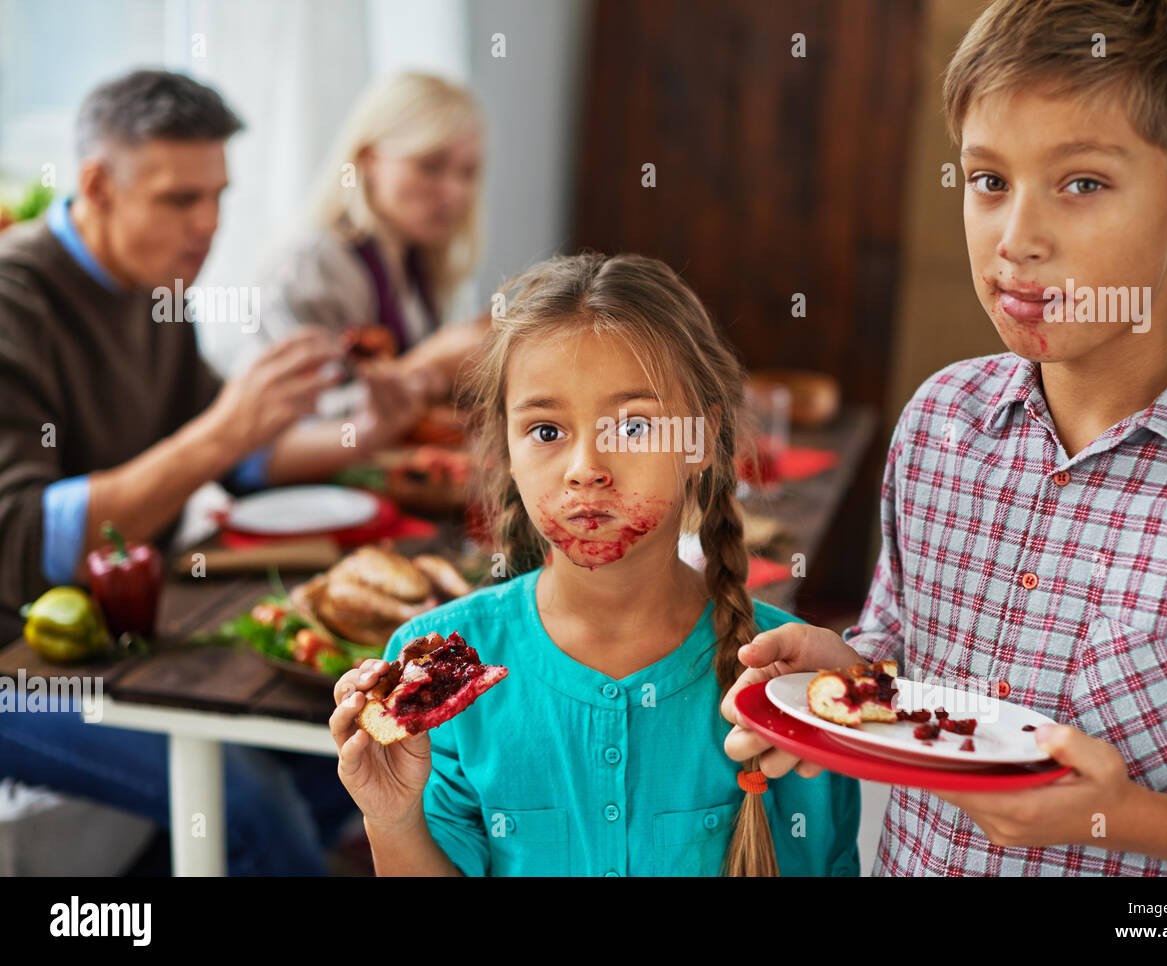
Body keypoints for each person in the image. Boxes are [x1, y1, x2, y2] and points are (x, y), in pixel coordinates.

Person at [724, 0, 1167, 877]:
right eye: (989, 181)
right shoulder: (939, 423)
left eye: (1082, 184)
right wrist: (844, 674)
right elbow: (901, 658)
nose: (1016, 241)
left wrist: (1129, 820)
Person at [328, 253, 861, 876]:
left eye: (633, 427)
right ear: (505, 448)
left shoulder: (787, 680)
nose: (586, 467)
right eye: (547, 431)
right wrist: (391, 819)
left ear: (699, 441)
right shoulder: (431, 669)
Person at [0, 68, 406, 874]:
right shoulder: (17, 300)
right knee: (246, 798)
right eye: (180, 200)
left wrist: (370, 429)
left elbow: (247, 454)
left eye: (217, 196)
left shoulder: (155, 290)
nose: (209, 225)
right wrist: (220, 434)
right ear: (95, 186)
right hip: (21, 664)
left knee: (354, 736)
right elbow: (22, 542)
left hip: (125, 626)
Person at [242, 71, 488, 401]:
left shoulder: (415, 261)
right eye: (430, 166)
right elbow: (303, 411)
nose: (454, 193)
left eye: (467, 173)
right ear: (368, 159)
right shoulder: (309, 263)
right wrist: (428, 366)